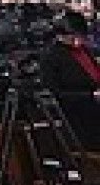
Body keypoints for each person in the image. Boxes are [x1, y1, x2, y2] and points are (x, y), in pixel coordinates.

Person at [39, 10, 100, 151]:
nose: (76, 40)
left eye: (79, 36)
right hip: (77, 117)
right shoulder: (51, 56)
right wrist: (90, 96)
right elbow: (54, 93)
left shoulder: (85, 50)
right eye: (71, 37)